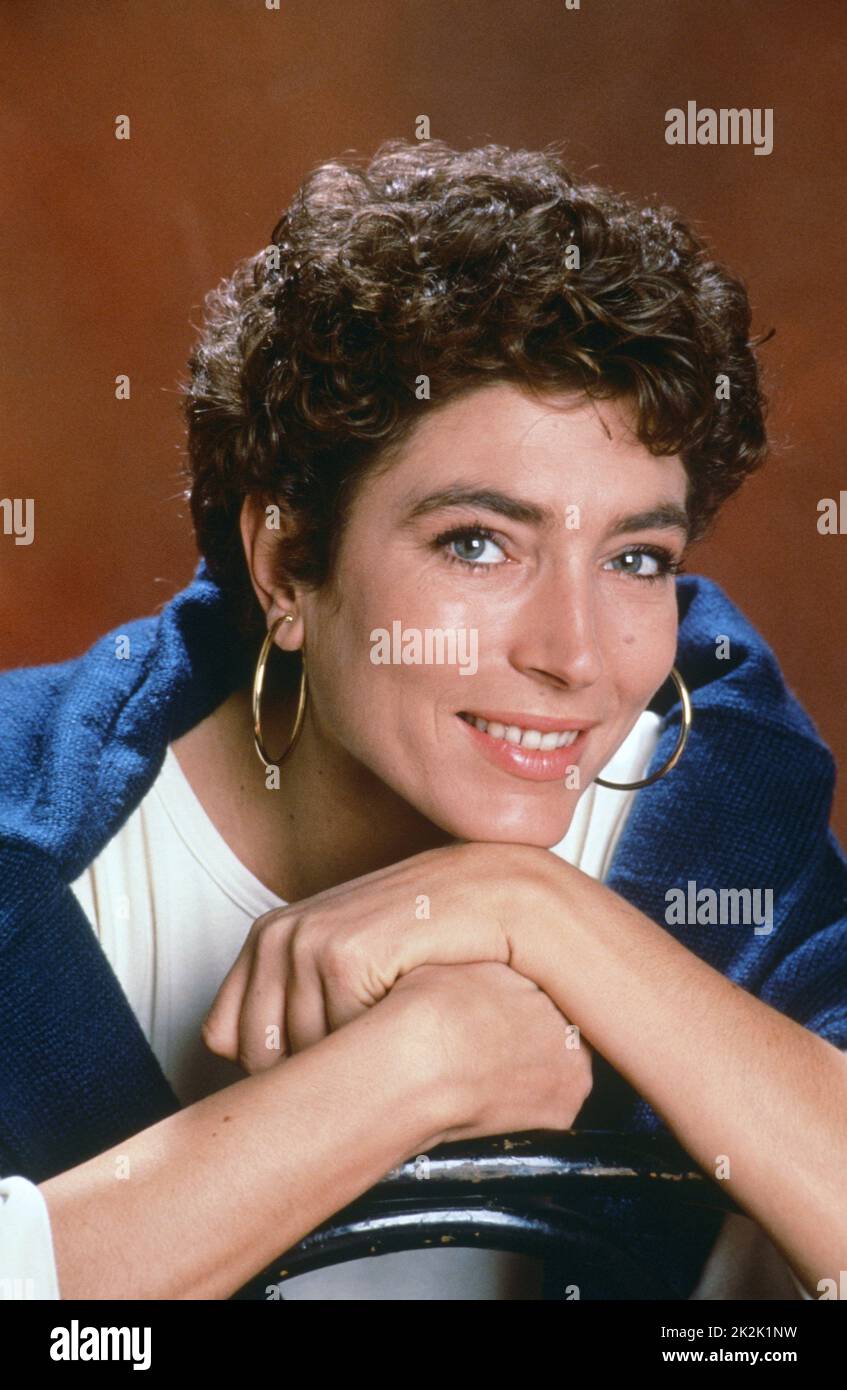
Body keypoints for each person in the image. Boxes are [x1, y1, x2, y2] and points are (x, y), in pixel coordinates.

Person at [1, 139, 846, 1302]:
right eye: (477, 543)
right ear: (289, 564)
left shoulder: (710, 813)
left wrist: (534, 910)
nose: (575, 655)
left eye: (637, 557)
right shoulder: (33, 842)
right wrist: (415, 1072)